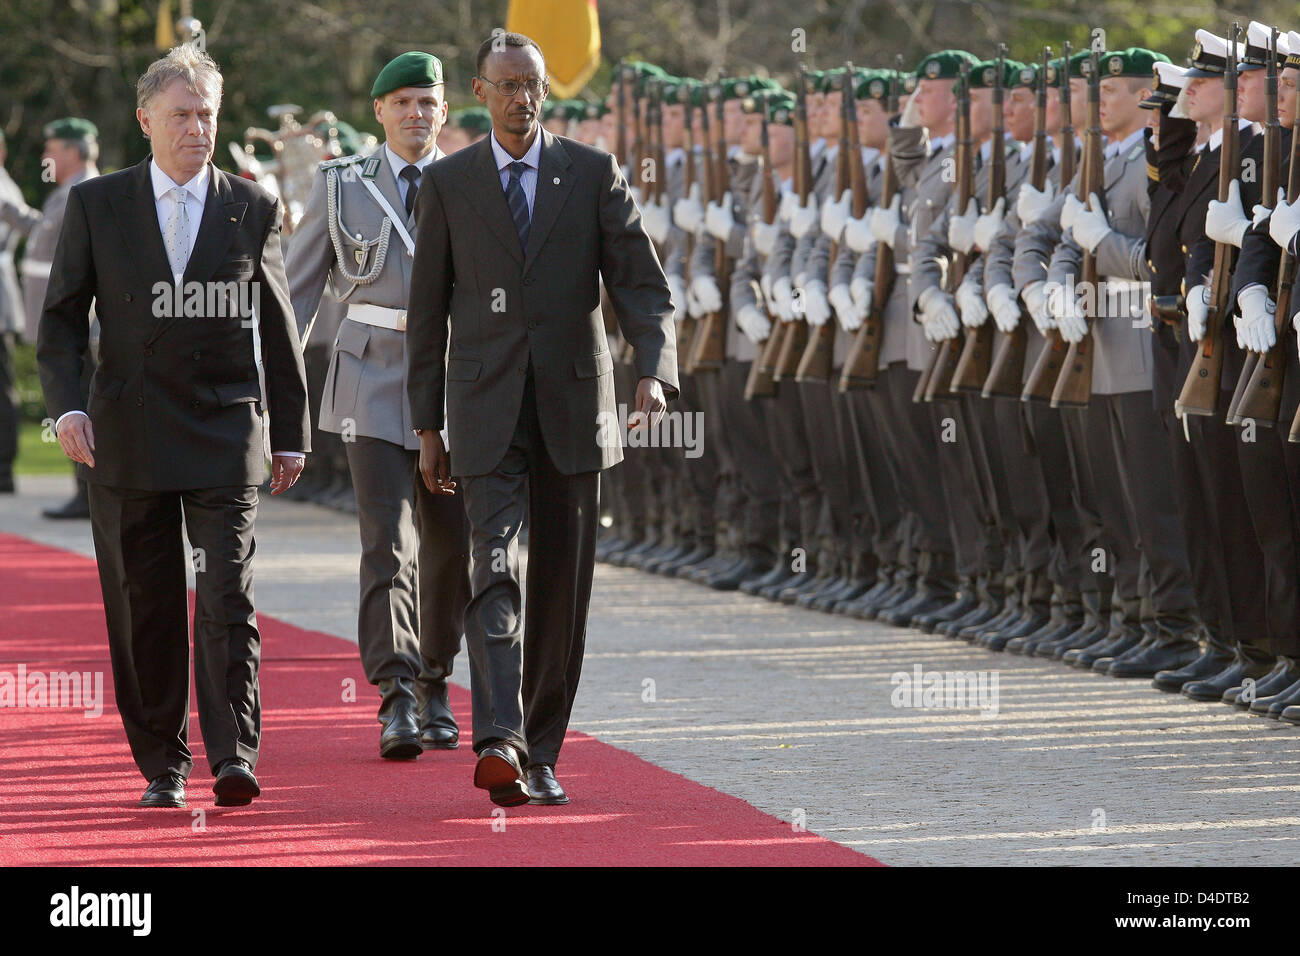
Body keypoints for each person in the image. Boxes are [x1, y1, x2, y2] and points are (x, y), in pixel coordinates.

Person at [406, 31, 677, 806]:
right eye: (508, 84)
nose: (523, 97)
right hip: (484, 411)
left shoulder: (591, 173)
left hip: (574, 409)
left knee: (561, 584)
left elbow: (643, 285)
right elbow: (427, 316)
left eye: (534, 84)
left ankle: (544, 749)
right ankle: (499, 738)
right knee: (493, 567)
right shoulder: (451, 184)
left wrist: (653, 371)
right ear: (479, 91)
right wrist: (427, 427)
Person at [37, 45, 310, 809]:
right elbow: (59, 322)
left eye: (207, 115)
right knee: (145, 601)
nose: (197, 128)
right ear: (145, 120)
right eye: (182, 114)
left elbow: (280, 331)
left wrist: (289, 432)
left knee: (227, 592)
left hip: (225, 429)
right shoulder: (97, 204)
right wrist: (67, 407)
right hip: (127, 430)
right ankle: (163, 762)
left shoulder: (251, 206)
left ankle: (234, 755)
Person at [286, 51, 471, 759]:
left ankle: (435, 681)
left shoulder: (469, 182)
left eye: (427, 102)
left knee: (449, 547)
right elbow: (299, 292)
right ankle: (394, 696)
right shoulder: (341, 188)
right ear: (379, 113)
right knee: (386, 541)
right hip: (370, 379)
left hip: (452, 384)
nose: (415, 115)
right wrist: (275, 384)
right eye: (402, 103)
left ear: (444, 111)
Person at [1, 118, 101, 516]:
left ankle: (88, 492)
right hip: (68, 325)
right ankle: (85, 490)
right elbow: (42, 233)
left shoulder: (81, 191)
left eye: (52, 149)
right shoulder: (66, 194)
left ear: (73, 152)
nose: (45, 157)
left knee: (79, 403)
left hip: (78, 326)